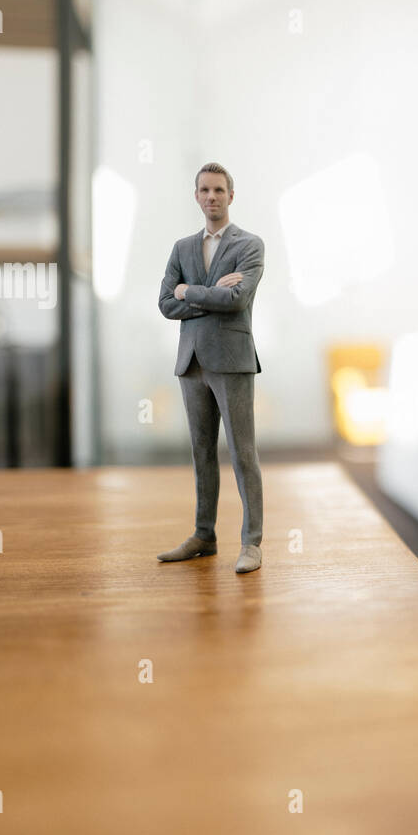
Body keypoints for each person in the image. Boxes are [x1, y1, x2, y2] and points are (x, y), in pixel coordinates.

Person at [156, 162, 266, 572]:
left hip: (233, 363)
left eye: (219, 190)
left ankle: (251, 544)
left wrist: (189, 291)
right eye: (204, 190)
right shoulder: (182, 248)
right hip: (193, 363)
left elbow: (236, 301)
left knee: (242, 453)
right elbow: (166, 304)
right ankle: (204, 535)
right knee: (202, 453)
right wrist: (205, 293)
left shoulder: (249, 245)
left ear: (230, 196)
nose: (212, 197)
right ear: (197, 196)